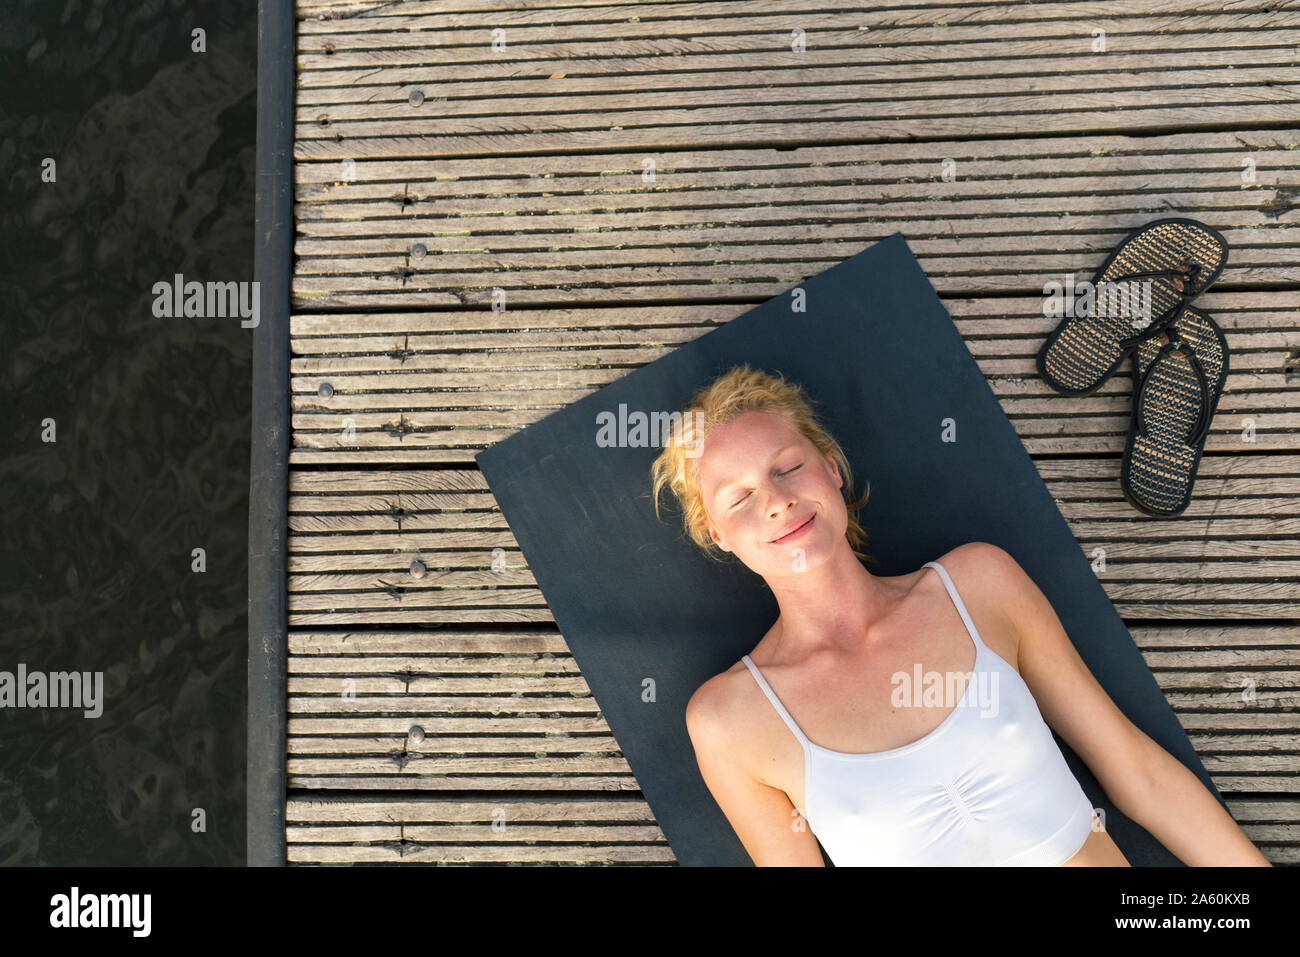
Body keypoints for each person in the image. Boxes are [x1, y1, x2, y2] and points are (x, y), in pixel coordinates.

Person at [650, 365, 1271, 867]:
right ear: (718, 535)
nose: (779, 502)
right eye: (740, 497)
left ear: (831, 471)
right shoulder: (729, 719)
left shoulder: (978, 585)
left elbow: (1137, 773)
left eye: (788, 467)